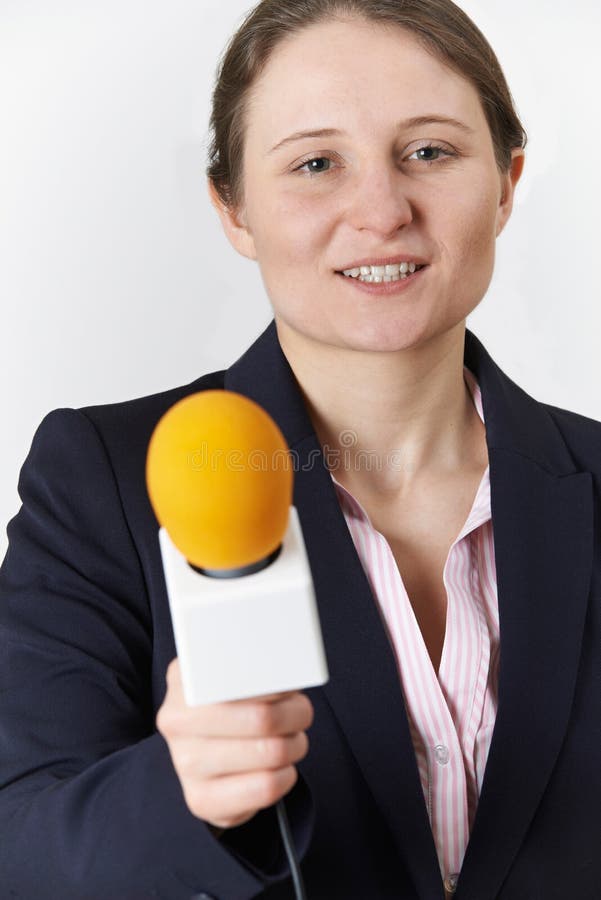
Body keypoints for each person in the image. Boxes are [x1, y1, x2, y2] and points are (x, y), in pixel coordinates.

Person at [1, 0, 600, 898]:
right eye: (316, 164)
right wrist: (183, 795)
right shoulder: (106, 480)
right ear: (234, 211)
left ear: (506, 183)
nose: (381, 211)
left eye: (429, 152)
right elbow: (20, 849)